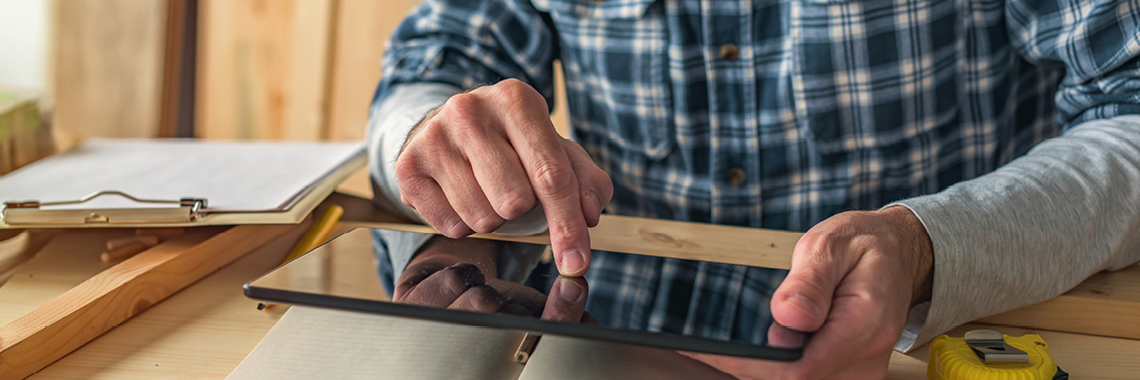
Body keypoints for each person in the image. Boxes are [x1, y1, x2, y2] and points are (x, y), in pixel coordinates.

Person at [366, 0, 1140, 378]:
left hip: (923, 348)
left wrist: (927, 243)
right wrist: (430, 139)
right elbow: (434, 59)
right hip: (602, 345)